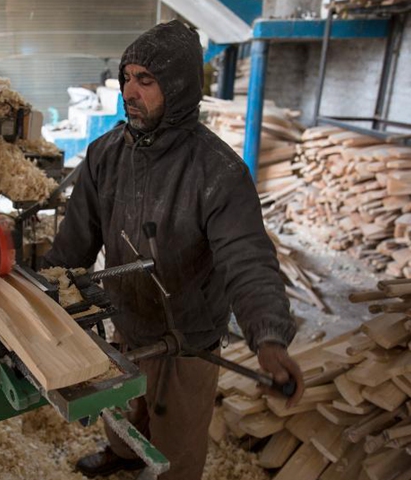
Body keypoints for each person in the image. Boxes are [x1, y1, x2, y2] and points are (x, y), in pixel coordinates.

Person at [43, 20, 304, 480]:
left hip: (187, 334)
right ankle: (122, 458)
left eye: (146, 81)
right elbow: (73, 245)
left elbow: (247, 259)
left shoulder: (217, 172)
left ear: (179, 88)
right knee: (123, 413)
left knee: (176, 444)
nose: (130, 91)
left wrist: (268, 335)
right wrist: (40, 291)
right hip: (127, 317)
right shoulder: (105, 154)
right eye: (127, 78)